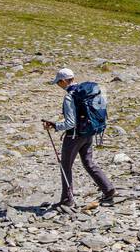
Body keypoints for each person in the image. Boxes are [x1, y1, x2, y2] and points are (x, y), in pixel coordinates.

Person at [43, 68, 116, 209]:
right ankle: (108, 189)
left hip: (74, 136)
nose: (58, 85)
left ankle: (67, 200)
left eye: (58, 82)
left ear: (64, 81)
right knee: (89, 163)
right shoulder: (86, 92)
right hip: (89, 133)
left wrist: (55, 125)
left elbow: (70, 123)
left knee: (65, 166)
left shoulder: (70, 96)